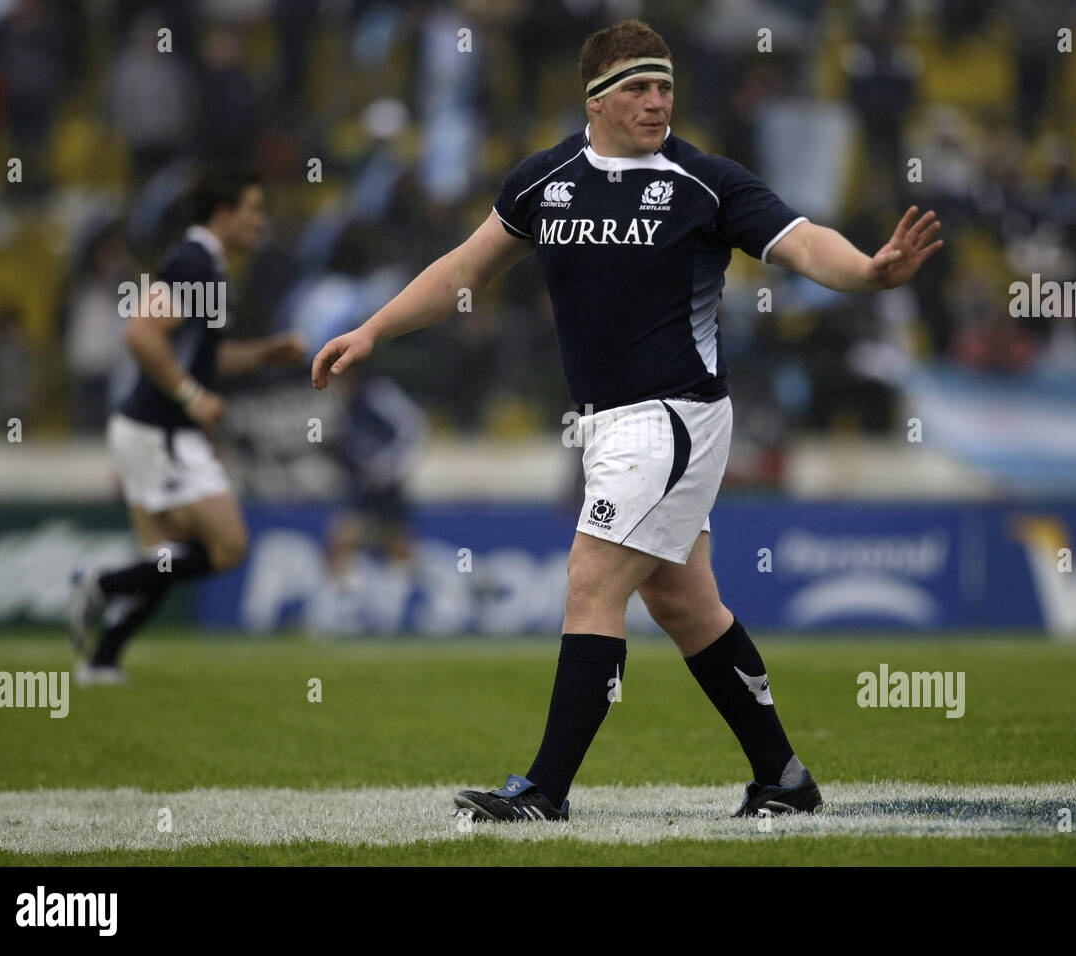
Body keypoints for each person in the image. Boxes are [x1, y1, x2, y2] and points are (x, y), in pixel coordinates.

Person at [311, 19, 942, 819]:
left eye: (666, 86)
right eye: (639, 88)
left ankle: (544, 792)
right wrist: (372, 330)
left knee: (589, 583)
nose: (657, 102)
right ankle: (783, 778)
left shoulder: (704, 181)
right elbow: (463, 269)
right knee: (684, 605)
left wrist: (866, 270)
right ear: (597, 98)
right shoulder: (545, 181)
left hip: (672, 418)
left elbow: (802, 241)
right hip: (608, 425)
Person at [68, 170, 305, 684]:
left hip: (149, 427)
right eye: (254, 209)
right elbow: (141, 334)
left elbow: (205, 359)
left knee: (165, 560)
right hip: (160, 430)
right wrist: (191, 397)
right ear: (223, 215)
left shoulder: (208, 266)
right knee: (229, 546)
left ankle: (103, 659)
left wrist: (267, 353)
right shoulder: (192, 262)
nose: (261, 221)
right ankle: (104, 584)